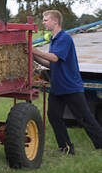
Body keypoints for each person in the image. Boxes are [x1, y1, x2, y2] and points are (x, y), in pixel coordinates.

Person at [32, 9, 102, 154]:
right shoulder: (53, 38)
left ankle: (100, 144)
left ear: (55, 21)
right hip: (57, 87)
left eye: (46, 20)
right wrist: (33, 56)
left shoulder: (64, 38)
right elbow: (52, 64)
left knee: (84, 118)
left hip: (70, 86)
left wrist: (33, 50)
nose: (43, 22)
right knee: (53, 116)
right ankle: (66, 147)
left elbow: (55, 58)